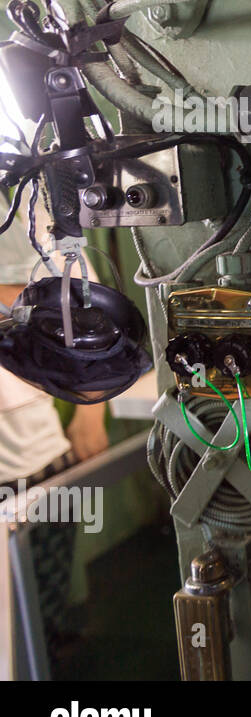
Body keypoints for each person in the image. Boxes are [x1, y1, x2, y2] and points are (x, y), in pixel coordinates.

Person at [0, 206, 110, 654]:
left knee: (39, 620)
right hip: (27, 455)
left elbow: (84, 303)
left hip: (33, 458)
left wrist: (90, 413)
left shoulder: (20, 207)